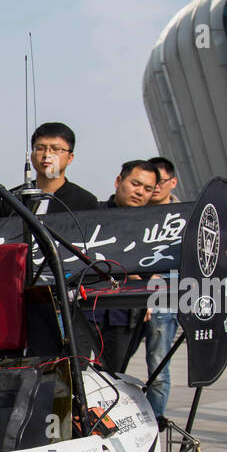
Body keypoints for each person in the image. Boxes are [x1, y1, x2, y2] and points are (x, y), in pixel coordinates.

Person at [76, 159, 159, 373]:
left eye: (147, 189)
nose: (140, 192)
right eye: (135, 184)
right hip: (86, 307)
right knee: (73, 371)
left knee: (113, 377)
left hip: (124, 315)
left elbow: (151, 270)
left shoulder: (152, 227)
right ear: (118, 181)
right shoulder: (91, 213)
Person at [141, 155, 181, 421]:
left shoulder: (183, 217)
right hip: (128, 297)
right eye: (150, 181)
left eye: (160, 181)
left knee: (157, 365)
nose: (154, 187)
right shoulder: (135, 214)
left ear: (172, 183)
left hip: (163, 297)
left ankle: (155, 419)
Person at [11, 121, 99, 214]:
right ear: (32, 156)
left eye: (56, 149)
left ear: (70, 157)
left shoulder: (85, 202)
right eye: (40, 148)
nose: (47, 154)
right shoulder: (12, 199)